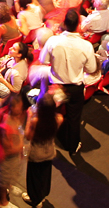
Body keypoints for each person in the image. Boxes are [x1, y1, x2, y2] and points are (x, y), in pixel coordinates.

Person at [42, 9, 98, 153]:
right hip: (74, 88)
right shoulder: (86, 45)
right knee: (74, 118)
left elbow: (44, 60)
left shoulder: (53, 41)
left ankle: (46, 141)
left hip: (56, 85)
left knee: (51, 115)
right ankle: (72, 146)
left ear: (64, 24)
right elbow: (92, 68)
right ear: (78, 25)